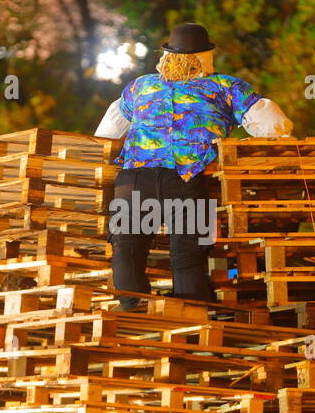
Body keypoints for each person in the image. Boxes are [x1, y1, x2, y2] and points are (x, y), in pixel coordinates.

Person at [93, 22, 293, 311]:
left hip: (136, 178)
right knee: (189, 251)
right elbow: (269, 121)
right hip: (189, 178)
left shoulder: (140, 86)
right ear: (205, 55)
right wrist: (283, 144)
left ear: (168, 55)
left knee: (127, 244)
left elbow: (106, 133)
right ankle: (191, 316)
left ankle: (133, 307)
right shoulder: (225, 87)